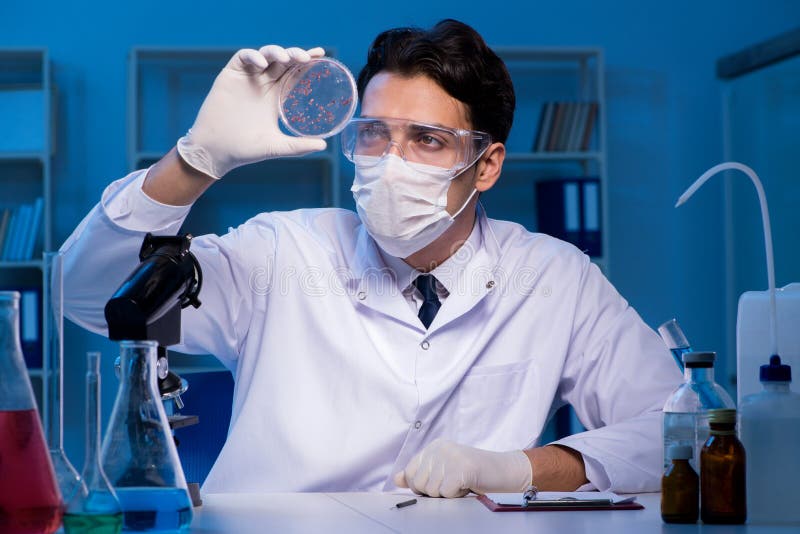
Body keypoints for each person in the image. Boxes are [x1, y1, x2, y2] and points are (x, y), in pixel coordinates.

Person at [61, 19, 682, 498]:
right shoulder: (280, 252)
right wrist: (195, 161)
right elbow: (88, 294)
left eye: (428, 140)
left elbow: (680, 430)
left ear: (486, 164)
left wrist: (519, 467)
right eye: (374, 134)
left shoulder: (552, 276)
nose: (390, 161)